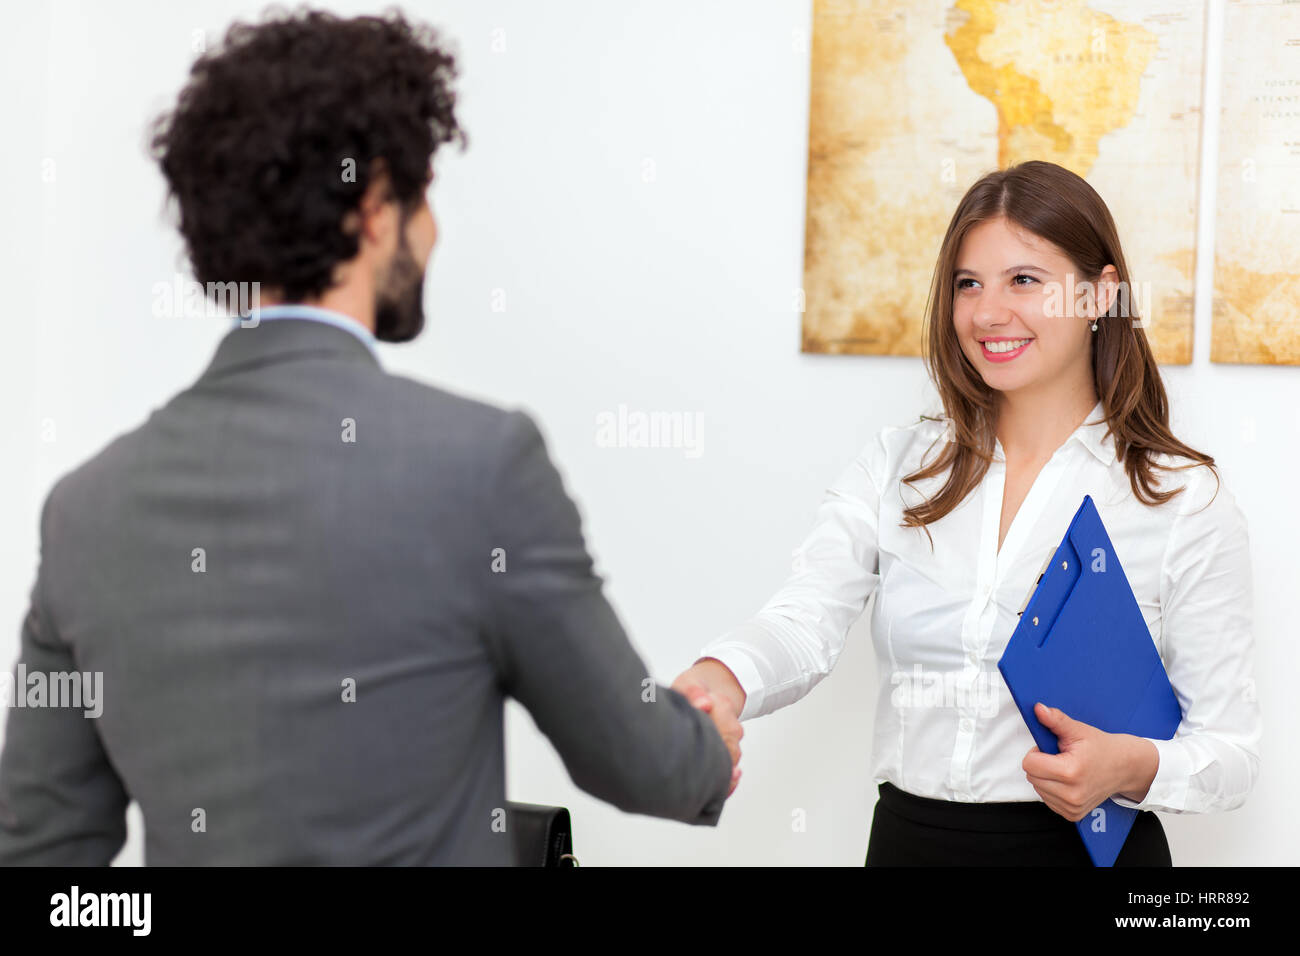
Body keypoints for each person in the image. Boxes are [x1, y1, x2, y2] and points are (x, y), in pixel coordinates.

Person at [0, 7, 741, 866]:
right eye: (423, 198)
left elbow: (44, 856)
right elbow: (640, 759)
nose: (434, 232)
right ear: (376, 204)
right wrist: (707, 747)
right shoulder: (481, 466)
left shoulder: (86, 509)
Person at [674, 160, 1261, 866]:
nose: (987, 313)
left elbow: (1230, 756)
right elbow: (803, 622)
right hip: (908, 848)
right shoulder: (898, 468)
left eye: (1024, 280)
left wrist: (1130, 767)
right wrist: (719, 682)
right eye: (967, 284)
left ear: (1102, 295)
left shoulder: (1178, 499)